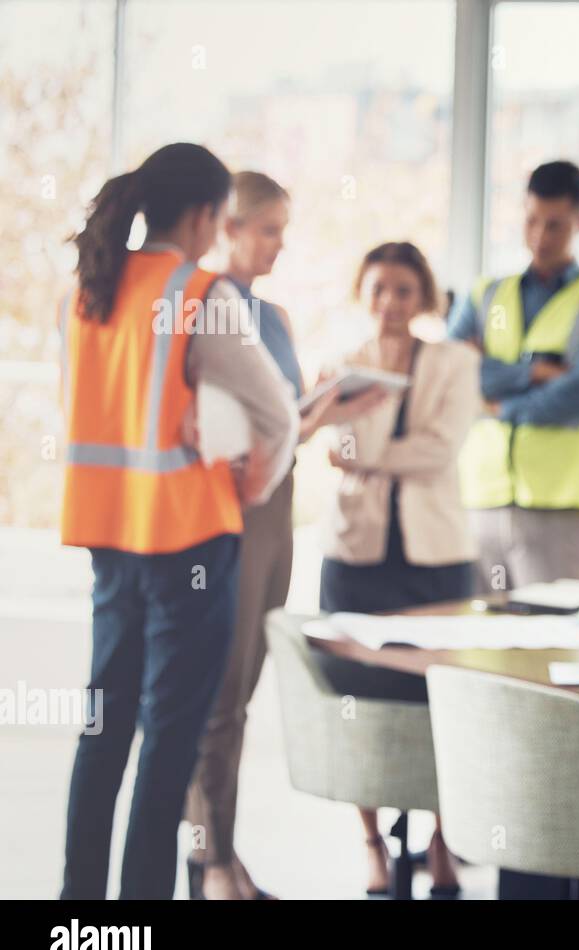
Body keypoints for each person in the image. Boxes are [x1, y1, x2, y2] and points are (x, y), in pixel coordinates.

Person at [57, 143, 299, 899]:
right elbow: (279, 416)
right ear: (202, 217)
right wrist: (252, 480)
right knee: (168, 743)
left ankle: (82, 916)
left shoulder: (91, 287)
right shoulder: (200, 292)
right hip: (190, 545)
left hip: (109, 542)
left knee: (103, 734)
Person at [183, 172, 387, 900]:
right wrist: (311, 420)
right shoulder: (200, 304)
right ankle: (210, 861)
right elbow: (224, 425)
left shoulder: (273, 315)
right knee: (217, 693)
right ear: (228, 227)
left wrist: (327, 411)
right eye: (267, 229)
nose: (278, 244)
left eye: (283, 230)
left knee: (240, 692)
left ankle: (223, 852)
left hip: (277, 507)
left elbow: (283, 419)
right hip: (227, 509)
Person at [315, 242, 481, 896]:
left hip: (434, 559)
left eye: (404, 291)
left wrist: (369, 450)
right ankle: (371, 842)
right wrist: (374, 442)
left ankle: (443, 839)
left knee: (441, 701)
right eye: (379, 289)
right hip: (357, 556)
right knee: (363, 701)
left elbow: (440, 451)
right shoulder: (342, 364)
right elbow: (339, 448)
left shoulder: (455, 361)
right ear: (365, 290)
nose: (390, 303)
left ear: (425, 298)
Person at [449, 160, 579, 593]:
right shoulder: (485, 294)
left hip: (560, 510)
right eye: (532, 221)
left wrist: (500, 403)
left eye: (556, 225)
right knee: (476, 648)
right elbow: (452, 370)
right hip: (481, 502)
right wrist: (535, 372)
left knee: (555, 646)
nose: (540, 237)